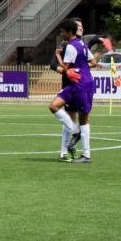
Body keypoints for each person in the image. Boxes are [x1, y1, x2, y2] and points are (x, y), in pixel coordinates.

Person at [48, 19, 97, 163]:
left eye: (62, 31)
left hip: (82, 85)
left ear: (70, 32)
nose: (61, 34)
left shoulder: (70, 47)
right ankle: (75, 131)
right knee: (53, 106)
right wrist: (81, 67)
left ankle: (86, 155)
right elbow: (93, 62)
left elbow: (66, 68)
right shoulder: (82, 44)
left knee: (83, 119)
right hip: (76, 84)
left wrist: (58, 56)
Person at [49, 17, 84, 158]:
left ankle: (75, 151)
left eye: (81, 26)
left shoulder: (83, 44)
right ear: (72, 30)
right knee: (70, 118)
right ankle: (65, 152)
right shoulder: (65, 44)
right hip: (69, 86)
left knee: (82, 119)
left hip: (82, 86)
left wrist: (105, 38)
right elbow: (52, 64)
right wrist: (66, 71)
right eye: (78, 26)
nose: (80, 28)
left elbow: (96, 40)